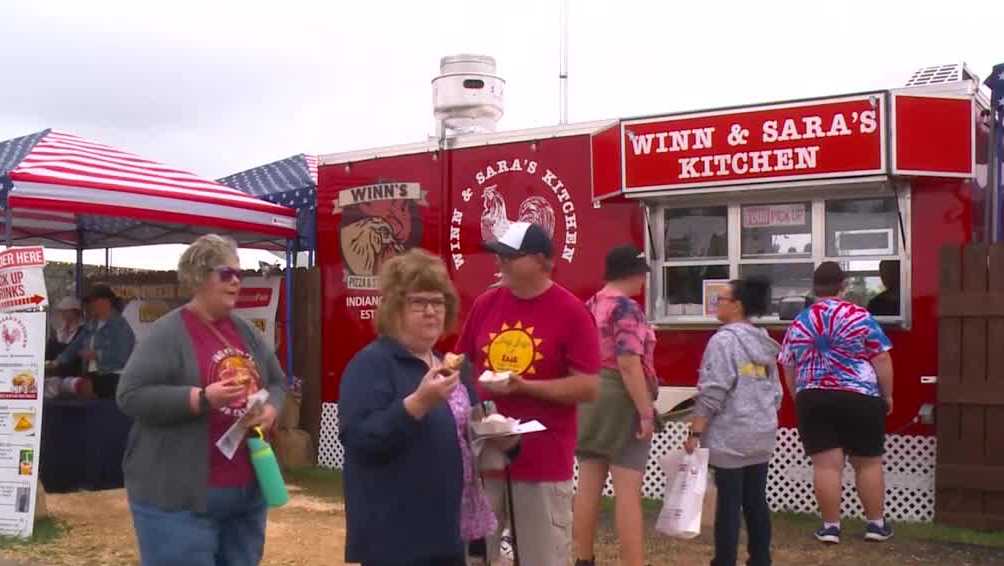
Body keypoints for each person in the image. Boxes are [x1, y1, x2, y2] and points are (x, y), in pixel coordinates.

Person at [117, 234, 286, 566]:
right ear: (199, 277)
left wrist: (270, 409)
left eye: (240, 274)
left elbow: (278, 382)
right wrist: (201, 398)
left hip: (245, 496)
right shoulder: (168, 333)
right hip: (179, 501)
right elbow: (130, 395)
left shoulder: (245, 331)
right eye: (227, 274)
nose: (236, 281)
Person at [339, 248, 498, 566]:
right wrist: (418, 404)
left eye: (438, 302)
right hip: (396, 538)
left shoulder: (451, 366)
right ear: (394, 309)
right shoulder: (372, 364)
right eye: (418, 302)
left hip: (449, 531)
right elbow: (359, 438)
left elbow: (472, 435)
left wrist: (501, 437)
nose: (430, 311)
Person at [456, 221, 601, 566]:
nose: (499, 262)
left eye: (509, 256)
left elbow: (589, 386)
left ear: (540, 260)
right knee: (475, 558)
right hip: (485, 456)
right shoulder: (485, 304)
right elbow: (461, 363)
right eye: (498, 255)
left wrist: (525, 386)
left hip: (543, 460)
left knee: (542, 558)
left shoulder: (571, 312)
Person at [779, 262, 895, 544]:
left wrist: (798, 395)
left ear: (814, 287)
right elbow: (881, 357)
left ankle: (831, 527)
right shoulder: (859, 316)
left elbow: (788, 364)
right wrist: (887, 394)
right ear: (842, 286)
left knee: (826, 466)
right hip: (860, 395)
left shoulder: (800, 321)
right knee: (867, 463)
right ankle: (876, 525)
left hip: (813, 396)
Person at [685, 276, 782, 566]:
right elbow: (776, 392)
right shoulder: (764, 341)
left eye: (721, 299)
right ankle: (760, 559)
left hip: (730, 435)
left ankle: (724, 560)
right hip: (761, 432)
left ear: (737, 305)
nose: (716, 304)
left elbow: (713, 392)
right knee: (755, 501)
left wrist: (695, 432)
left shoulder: (723, 341)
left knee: (728, 504)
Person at [573, 244, 657, 566]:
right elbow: (628, 363)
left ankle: (583, 558)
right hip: (622, 397)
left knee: (588, 484)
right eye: (641, 274)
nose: (643, 281)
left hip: (591, 395)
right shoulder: (626, 308)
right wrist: (645, 412)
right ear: (632, 274)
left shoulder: (590, 304)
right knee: (627, 490)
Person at [51, 285, 136, 399]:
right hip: (91, 377)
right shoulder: (91, 325)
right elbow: (75, 346)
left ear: (105, 302)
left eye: (92, 302)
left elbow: (123, 355)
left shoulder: (120, 326)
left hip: (113, 378)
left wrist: (97, 355)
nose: (90, 306)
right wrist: (57, 361)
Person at [45, 297, 85, 365]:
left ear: (75, 312)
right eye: (61, 311)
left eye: (66, 311)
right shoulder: (57, 332)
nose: (63, 314)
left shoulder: (83, 331)